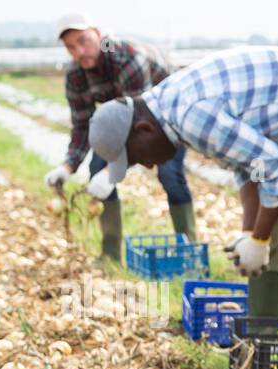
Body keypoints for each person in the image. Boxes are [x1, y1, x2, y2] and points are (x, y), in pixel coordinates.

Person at [87, 46, 278, 333]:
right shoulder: (168, 110)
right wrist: (250, 232)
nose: (146, 165)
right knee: (275, 224)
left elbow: (277, 170)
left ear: (144, 130)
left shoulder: (192, 118)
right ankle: (262, 336)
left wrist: (259, 240)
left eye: (136, 157)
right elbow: (248, 167)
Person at [44, 12, 196, 263]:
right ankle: (111, 254)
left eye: (83, 40)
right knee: (96, 168)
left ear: (97, 33)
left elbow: (142, 126)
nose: (79, 52)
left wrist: (111, 173)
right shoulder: (76, 75)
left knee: (170, 175)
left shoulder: (126, 57)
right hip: (134, 121)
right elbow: (83, 125)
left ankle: (189, 253)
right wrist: (68, 166)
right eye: (71, 47)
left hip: (168, 118)